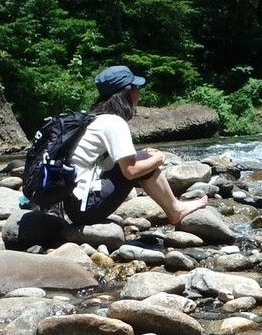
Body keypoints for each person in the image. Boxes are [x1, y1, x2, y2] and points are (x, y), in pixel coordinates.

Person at [65, 65, 209, 226]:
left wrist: (140, 153)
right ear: (127, 92)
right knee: (144, 160)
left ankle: (175, 207)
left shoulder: (93, 118)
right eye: (136, 88)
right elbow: (131, 171)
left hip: (73, 204)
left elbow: (104, 160)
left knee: (142, 156)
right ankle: (176, 210)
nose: (138, 93)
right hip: (87, 206)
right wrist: (159, 158)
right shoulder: (114, 122)